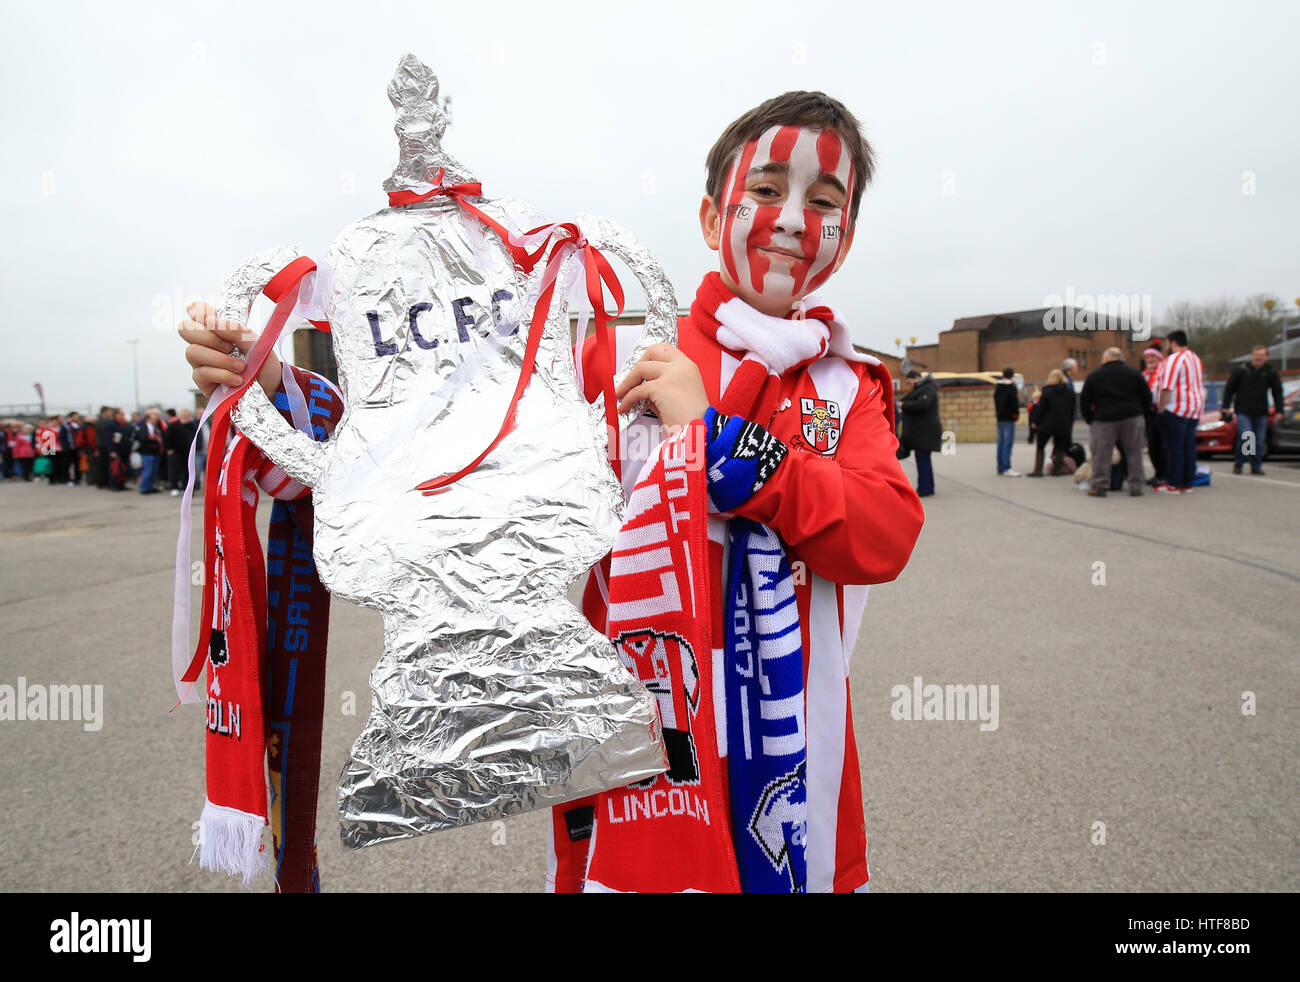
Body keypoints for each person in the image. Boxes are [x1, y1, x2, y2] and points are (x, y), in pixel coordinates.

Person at [178, 89, 924, 894]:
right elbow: (453, 448)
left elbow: (882, 534)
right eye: (769, 189)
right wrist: (274, 390)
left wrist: (718, 440)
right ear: (712, 219)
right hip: (638, 739)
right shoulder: (619, 352)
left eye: (824, 201)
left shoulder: (848, 389)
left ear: (845, 238)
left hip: (794, 749)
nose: (792, 220)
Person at [1079, 347, 1151, 497]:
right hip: (1132, 417)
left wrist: (1090, 418)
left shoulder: (1095, 375)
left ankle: (1100, 485)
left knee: (1102, 454)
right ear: (1121, 358)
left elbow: (1085, 400)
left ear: (1105, 359)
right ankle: (1136, 486)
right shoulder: (1134, 374)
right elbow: (1146, 396)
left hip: (1104, 419)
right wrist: (1141, 412)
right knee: (1134, 453)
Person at [1221, 344, 1284, 476]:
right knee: (1247, 436)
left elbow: (1277, 392)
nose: (1258, 358)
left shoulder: (1270, 372)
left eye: (1261, 356)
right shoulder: (1241, 370)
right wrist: (1225, 407)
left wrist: (1279, 410)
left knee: (1259, 440)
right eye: (1256, 355)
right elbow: (1229, 389)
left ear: (1266, 357)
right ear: (1252, 356)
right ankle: (1239, 463)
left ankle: (1256, 465)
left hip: (1261, 412)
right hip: (1243, 410)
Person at [1153, 329, 1204, 494]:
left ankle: (1173, 483)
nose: (1166, 347)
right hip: (1194, 409)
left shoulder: (1174, 360)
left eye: (1167, 343)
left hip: (1176, 409)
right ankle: (1187, 483)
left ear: (1173, 342)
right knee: (1189, 447)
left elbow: (1167, 387)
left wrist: (1161, 409)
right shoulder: (1195, 358)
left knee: (1174, 448)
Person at [898, 368, 940, 496]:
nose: (910, 386)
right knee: (923, 460)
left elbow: (922, 405)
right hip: (921, 433)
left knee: (923, 460)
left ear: (917, 379)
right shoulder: (924, 389)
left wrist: (903, 405)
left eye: (910, 383)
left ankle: (926, 488)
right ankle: (927, 487)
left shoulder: (928, 389)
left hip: (924, 433)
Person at [1027, 369, 1074, 477]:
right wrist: (1070, 424)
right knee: (1059, 448)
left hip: (1047, 424)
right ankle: (1057, 469)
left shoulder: (1047, 391)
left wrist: (1035, 421)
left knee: (1041, 446)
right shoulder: (1069, 392)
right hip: (1063, 424)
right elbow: (1071, 410)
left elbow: (1041, 409)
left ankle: (1038, 470)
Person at [1140, 346, 1166, 486]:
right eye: (1147, 358)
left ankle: (1164, 474)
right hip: (1148, 411)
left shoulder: (1163, 371)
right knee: (1152, 445)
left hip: (1160, 410)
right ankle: (1158, 472)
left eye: (1152, 357)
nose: (1149, 360)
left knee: (1161, 444)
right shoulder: (1145, 373)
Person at [993, 366, 1020, 476]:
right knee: (1008, 443)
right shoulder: (1011, 387)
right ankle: (1006, 467)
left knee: (1001, 442)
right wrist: (1016, 414)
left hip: (1000, 417)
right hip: (1009, 418)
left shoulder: (998, 387)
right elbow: (1014, 402)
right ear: (1012, 375)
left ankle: (1000, 467)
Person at [165, 409, 196, 495]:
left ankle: (185, 487)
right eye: (183, 415)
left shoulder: (192, 426)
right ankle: (174, 487)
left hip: (189, 452)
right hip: (176, 452)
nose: (185, 417)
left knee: (188, 471)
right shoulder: (173, 426)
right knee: (175, 470)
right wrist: (169, 449)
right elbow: (167, 437)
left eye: (187, 416)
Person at [135, 408, 165, 494]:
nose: (155, 420)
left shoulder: (155, 428)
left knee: (153, 471)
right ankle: (144, 487)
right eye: (153, 419)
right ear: (148, 419)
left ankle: (151, 486)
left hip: (156, 452)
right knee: (147, 470)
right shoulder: (143, 427)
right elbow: (143, 439)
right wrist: (155, 440)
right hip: (147, 452)